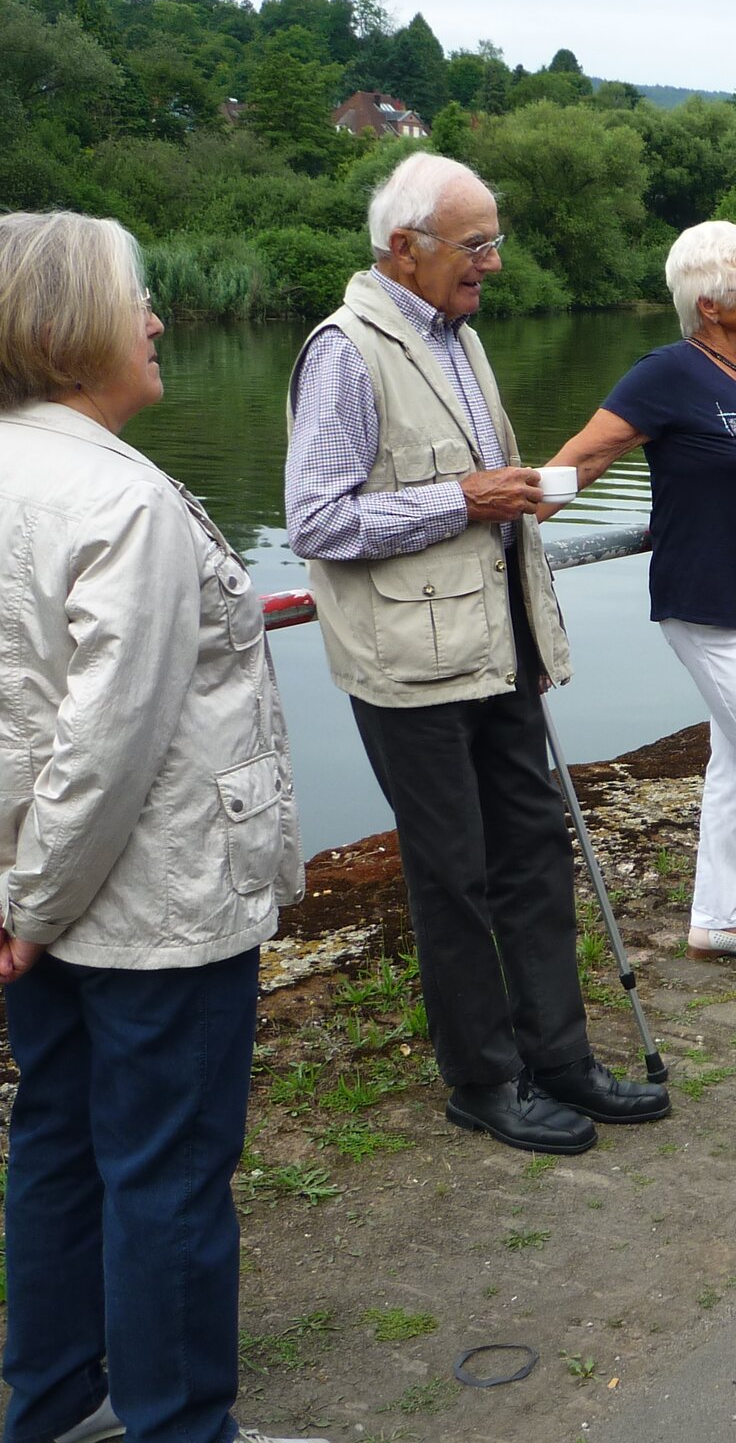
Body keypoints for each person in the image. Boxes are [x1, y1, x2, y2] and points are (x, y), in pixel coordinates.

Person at [1, 212, 323, 1443]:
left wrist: (14, 895)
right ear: (70, 324)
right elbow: (111, 740)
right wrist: (35, 904)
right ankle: (180, 1429)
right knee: (170, 1178)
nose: (156, 318)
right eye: (137, 297)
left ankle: (54, 1407)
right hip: (151, 907)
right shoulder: (116, 499)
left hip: (37, 897)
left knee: (60, 1149)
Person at [287, 153, 669, 1156]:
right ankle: (482, 1080)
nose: (493, 264)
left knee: (535, 850)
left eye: (494, 241)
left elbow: (483, 488)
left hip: (498, 644)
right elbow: (317, 523)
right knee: (452, 873)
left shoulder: (458, 335)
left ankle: (561, 1058)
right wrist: (466, 498)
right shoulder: (345, 350)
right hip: (407, 666)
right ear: (403, 248)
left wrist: (517, 521)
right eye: (476, 244)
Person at [544, 221, 736, 966]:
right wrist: (508, 520)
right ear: (710, 306)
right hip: (708, 602)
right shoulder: (666, 374)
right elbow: (585, 458)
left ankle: (715, 918)